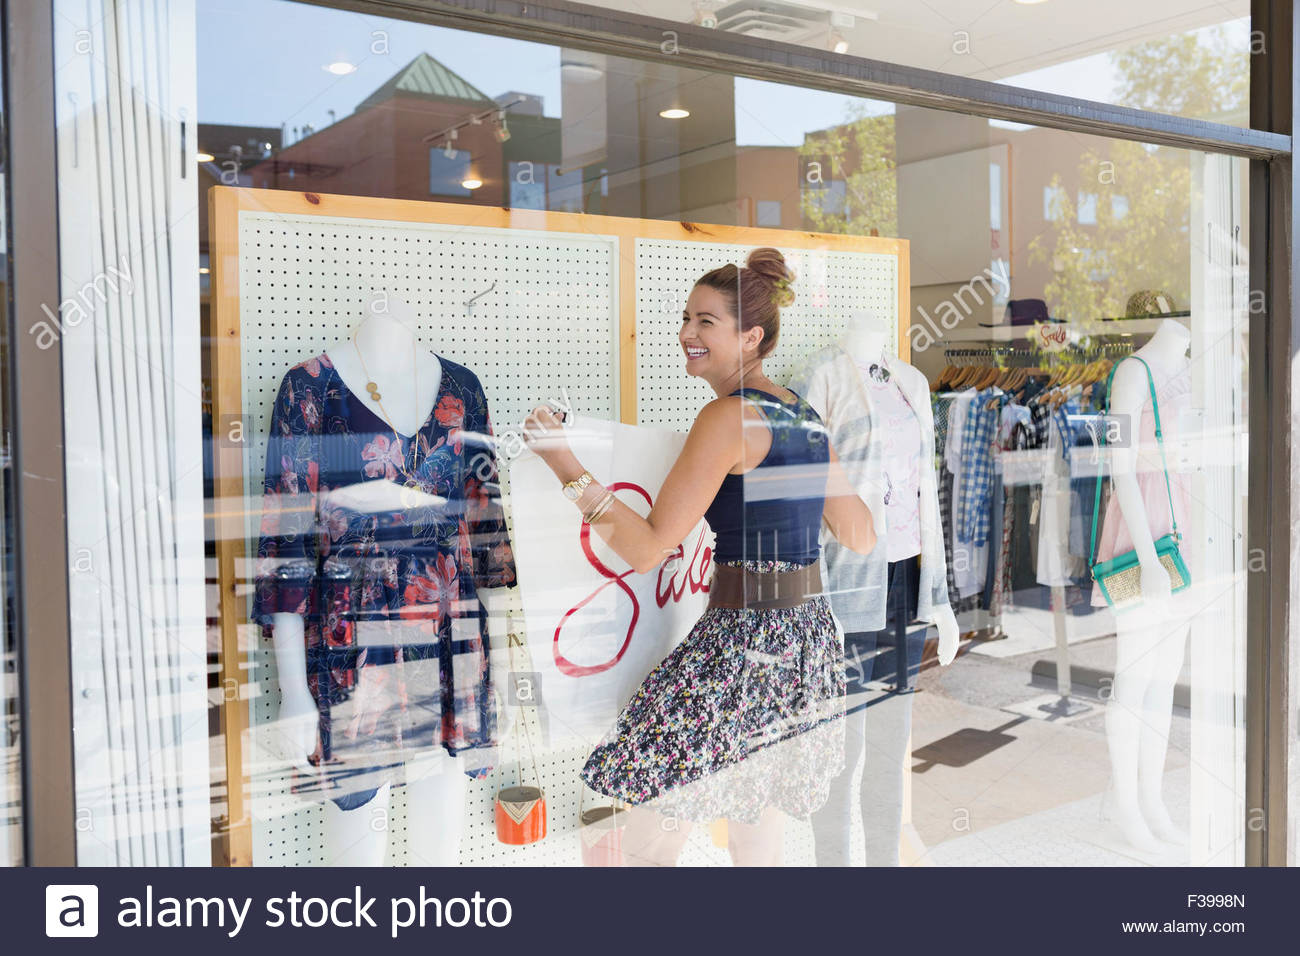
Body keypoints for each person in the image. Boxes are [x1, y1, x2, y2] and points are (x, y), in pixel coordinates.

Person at [523, 247, 876, 866]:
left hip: (740, 645)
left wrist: (564, 464)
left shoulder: (726, 417)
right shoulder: (806, 416)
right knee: (754, 839)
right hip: (806, 645)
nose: (686, 333)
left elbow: (647, 547)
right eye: (686, 319)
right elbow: (861, 534)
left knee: (633, 848)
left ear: (751, 336)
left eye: (706, 321)